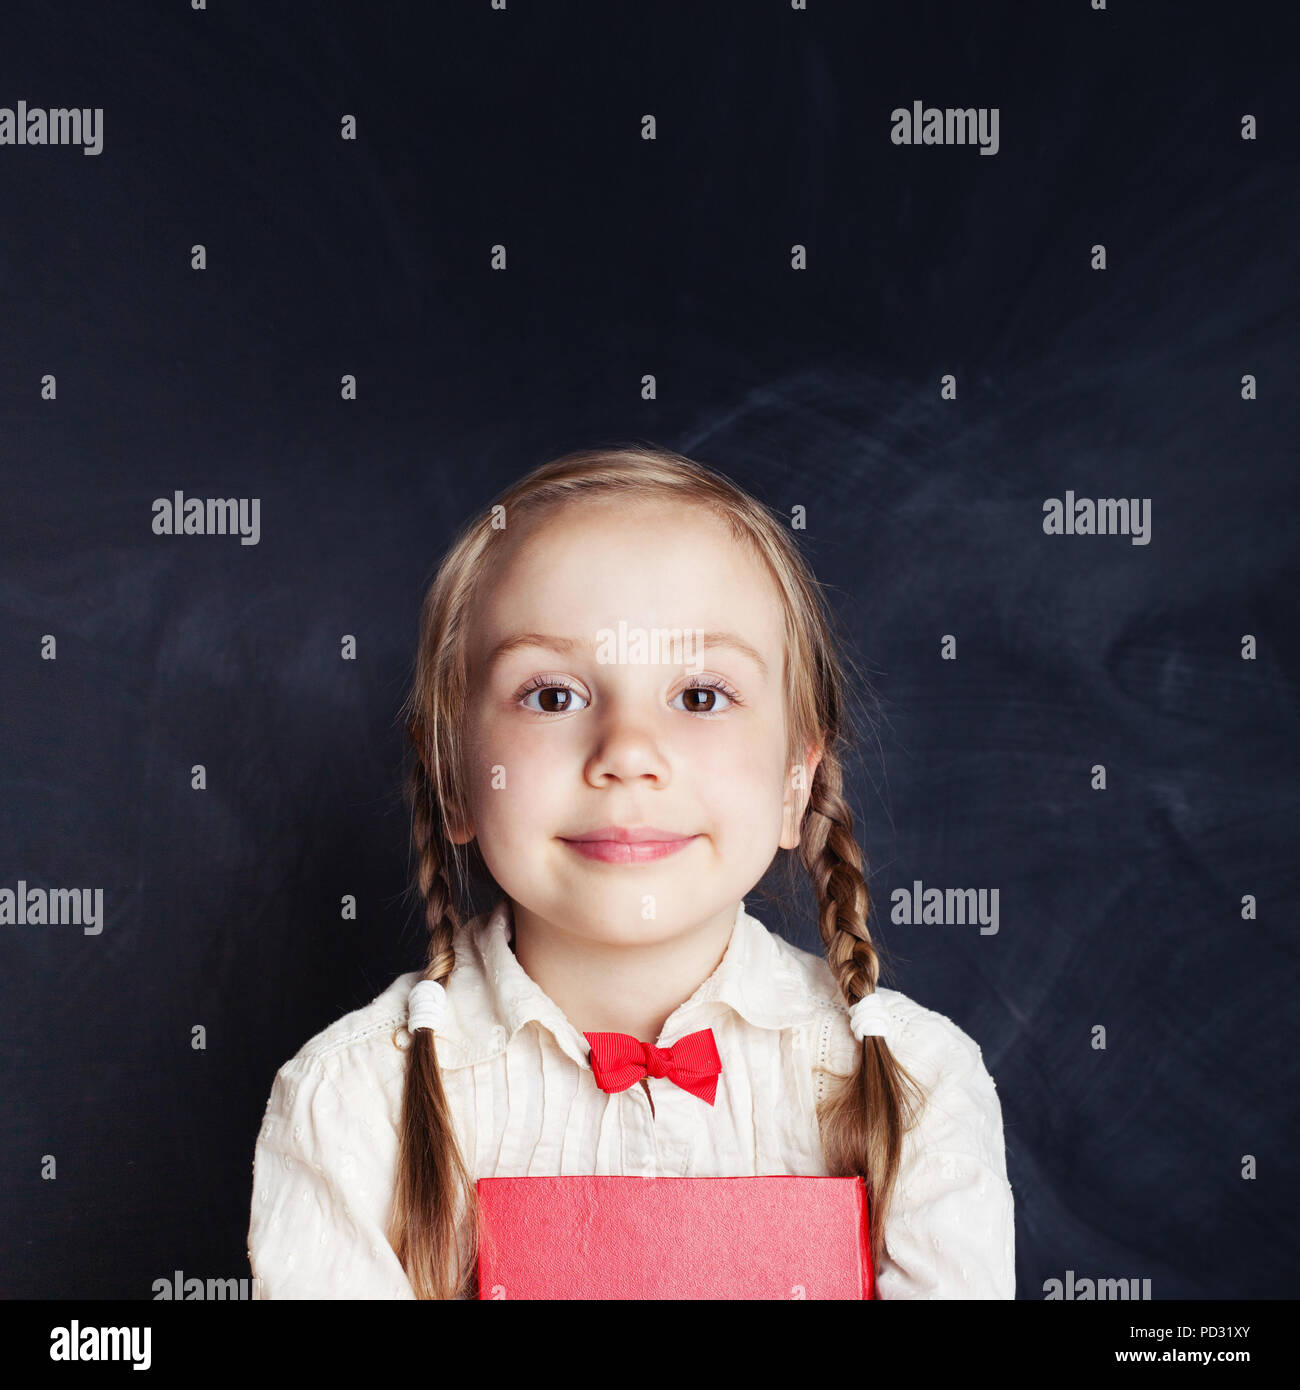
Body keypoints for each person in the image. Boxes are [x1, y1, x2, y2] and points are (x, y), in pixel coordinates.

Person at [246, 444, 1015, 1299]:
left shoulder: (922, 1086)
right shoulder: (348, 1105)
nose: (628, 754)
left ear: (796, 782)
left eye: (699, 696)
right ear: (454, 778)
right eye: (552, 695)